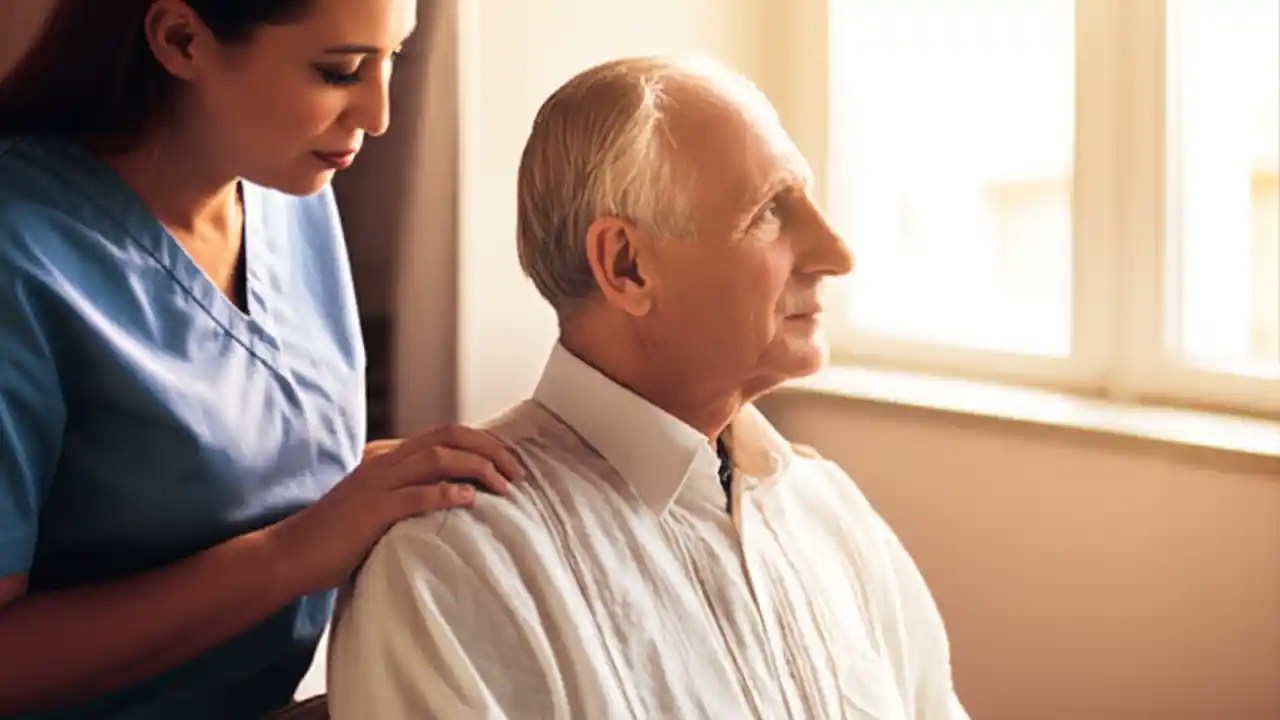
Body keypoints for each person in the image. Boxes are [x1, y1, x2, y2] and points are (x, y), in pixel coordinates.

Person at [327, 56, 968, 720]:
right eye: (770, 214)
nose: (837, 252)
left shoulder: (830, 515)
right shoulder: (454, 566)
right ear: (626, 266)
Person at [0, 1, 523, 717]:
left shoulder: (287, 187)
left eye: (394, 57)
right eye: (339, 70)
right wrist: (291, 555)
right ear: (182, 38)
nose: (377, 114)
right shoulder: (20, 258)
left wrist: (375, 486)